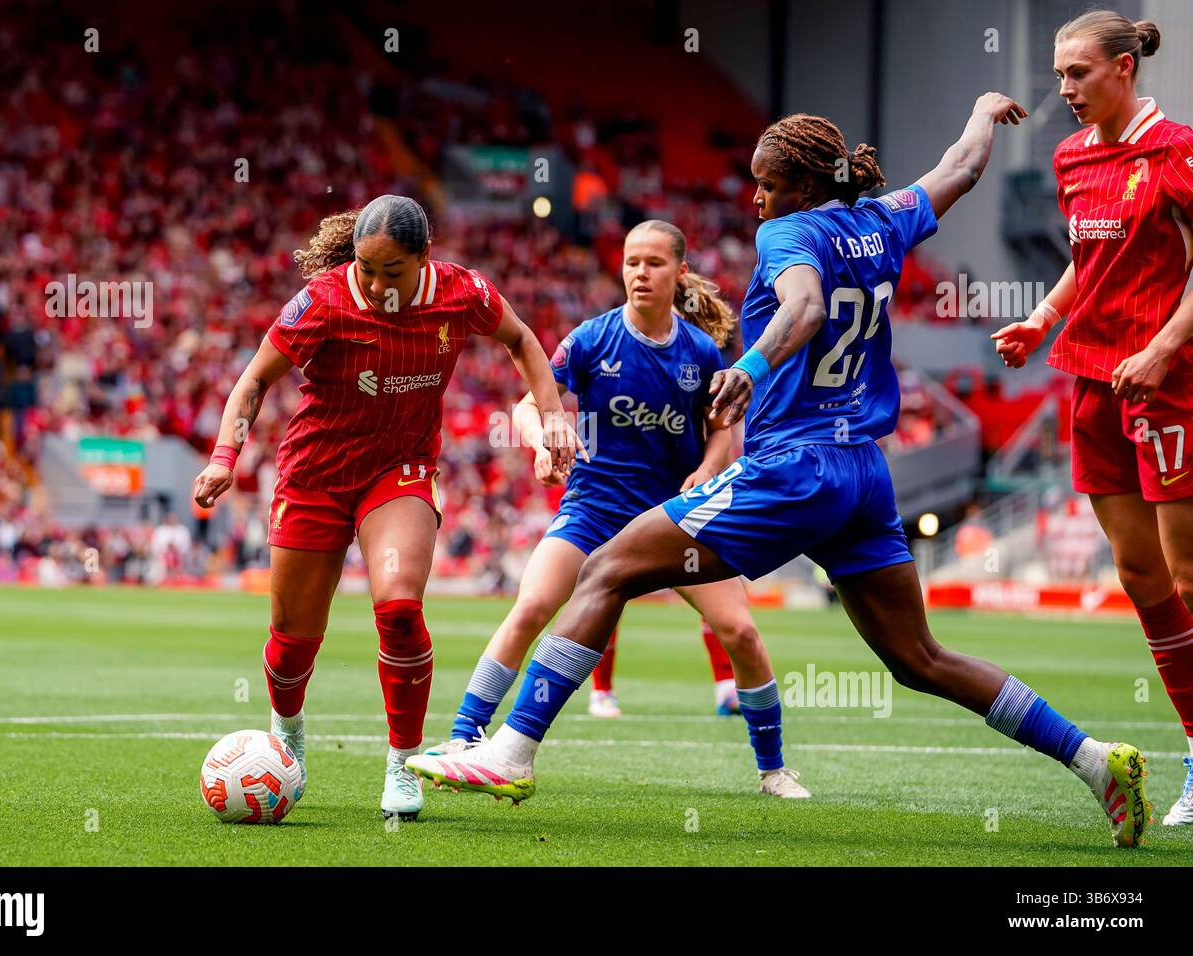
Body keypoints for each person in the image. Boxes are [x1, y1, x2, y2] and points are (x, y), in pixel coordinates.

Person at [408, 97, 1156, 849]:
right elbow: (959, 168)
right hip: (865, 472)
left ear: (800, 185)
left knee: (605, 569)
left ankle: (510, 752)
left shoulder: (788, 232)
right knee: (920, 658)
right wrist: (983, 116)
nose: (755, 196)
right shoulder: (886, 218)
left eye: (766, 183)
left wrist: (750, 365)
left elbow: (801, 307)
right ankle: (1094, 761)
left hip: (796, 467)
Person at [192, 195, 581, 821]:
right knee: (293, 645)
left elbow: (522, 338)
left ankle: (403, 761)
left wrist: (553, 414)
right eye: (366, 270)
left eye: (391, 271)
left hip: (399, 471)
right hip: (315, 475)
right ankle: (287, 735)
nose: (375, 285)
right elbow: (255, 379)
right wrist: (222, 456)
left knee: (399, 608)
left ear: (424, 257)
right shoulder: (322, 300)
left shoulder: (463, 292)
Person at [423, 220, 807, 799]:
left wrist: (707, 470)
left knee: (741, 632)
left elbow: (725, 431)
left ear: (679, 272)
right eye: (631, 262)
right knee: (531, 607)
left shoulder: (701, 353)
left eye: (654, 263)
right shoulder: (590, 341)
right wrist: (542, 440)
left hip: (673, 518)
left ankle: (773, 770)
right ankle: (462, 738)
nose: (639, 274)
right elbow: (529, 406)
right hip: (594, 510)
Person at [992, 10, 1193, 827]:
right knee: (1142, 580)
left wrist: (1164, 349)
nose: (1063, 90)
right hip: (1092, 382)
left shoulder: (1176, 150)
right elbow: (1089, 260)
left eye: (1077, 74)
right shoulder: (1072, 158)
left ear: (1123, 69)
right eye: (1058, 74)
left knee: (1186, 579)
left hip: (1167, 386)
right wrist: (1043, 318)